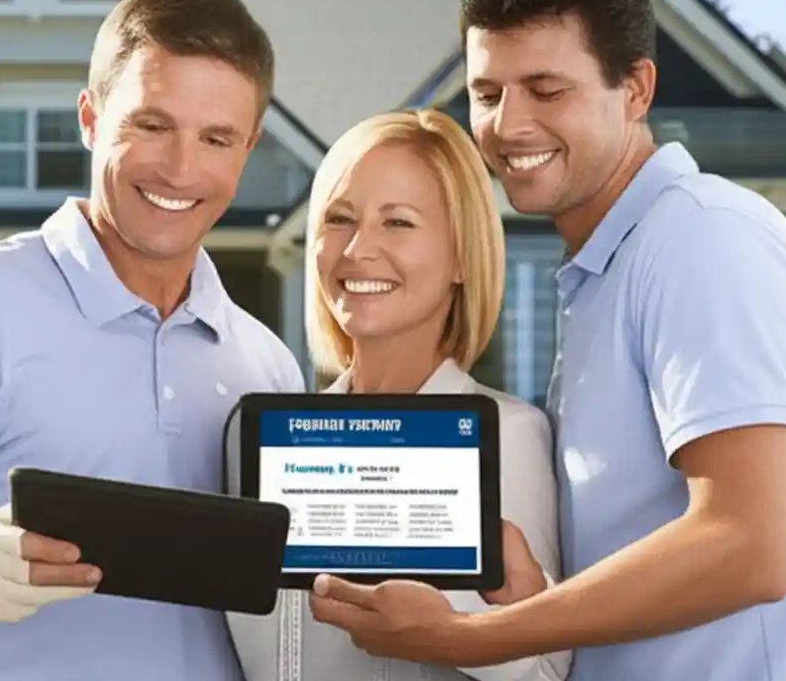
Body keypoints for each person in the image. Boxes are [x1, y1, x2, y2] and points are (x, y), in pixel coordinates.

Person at [305, 0, 786, 680]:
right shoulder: (602, 274)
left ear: (635, 88)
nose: (508, 124)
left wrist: (473, 637)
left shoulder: (700, 236)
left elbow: (750, 544)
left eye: (546, 89)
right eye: (487, 93)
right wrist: (529, 603)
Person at [0, 0, 304, 681]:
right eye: (151, 125)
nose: (181, 168)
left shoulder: (267, 364)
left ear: (249, 146)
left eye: (216, 138)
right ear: (90, 117)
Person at [224, 109, 571, 681]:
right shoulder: (261, 439)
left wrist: (453, 628)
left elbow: (548, 672)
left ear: (462, 256)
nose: (359, 248)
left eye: (399, 223)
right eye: (339, 219)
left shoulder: (507, 436)